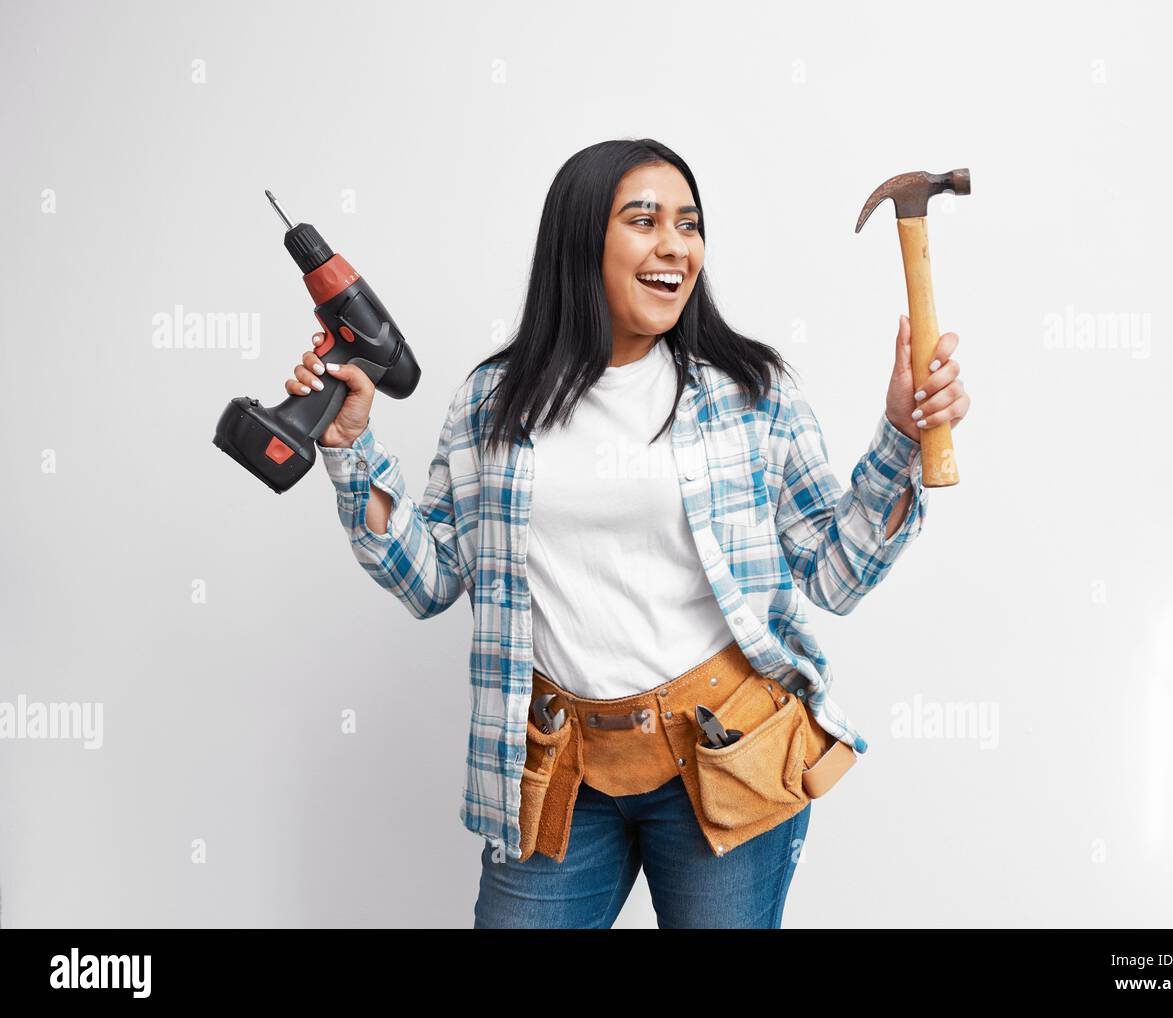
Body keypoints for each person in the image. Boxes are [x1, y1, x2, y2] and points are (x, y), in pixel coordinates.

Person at [282, 139, 970, 928]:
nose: (675, 244)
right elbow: (429, 579)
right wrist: (349, 448)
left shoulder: (750, 391)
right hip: (557, 766)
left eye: (689, 224)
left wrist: (898, 437)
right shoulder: (492, 402)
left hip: (727, 756)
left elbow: (836, 573)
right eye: (643, 220)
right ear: (581, 241)